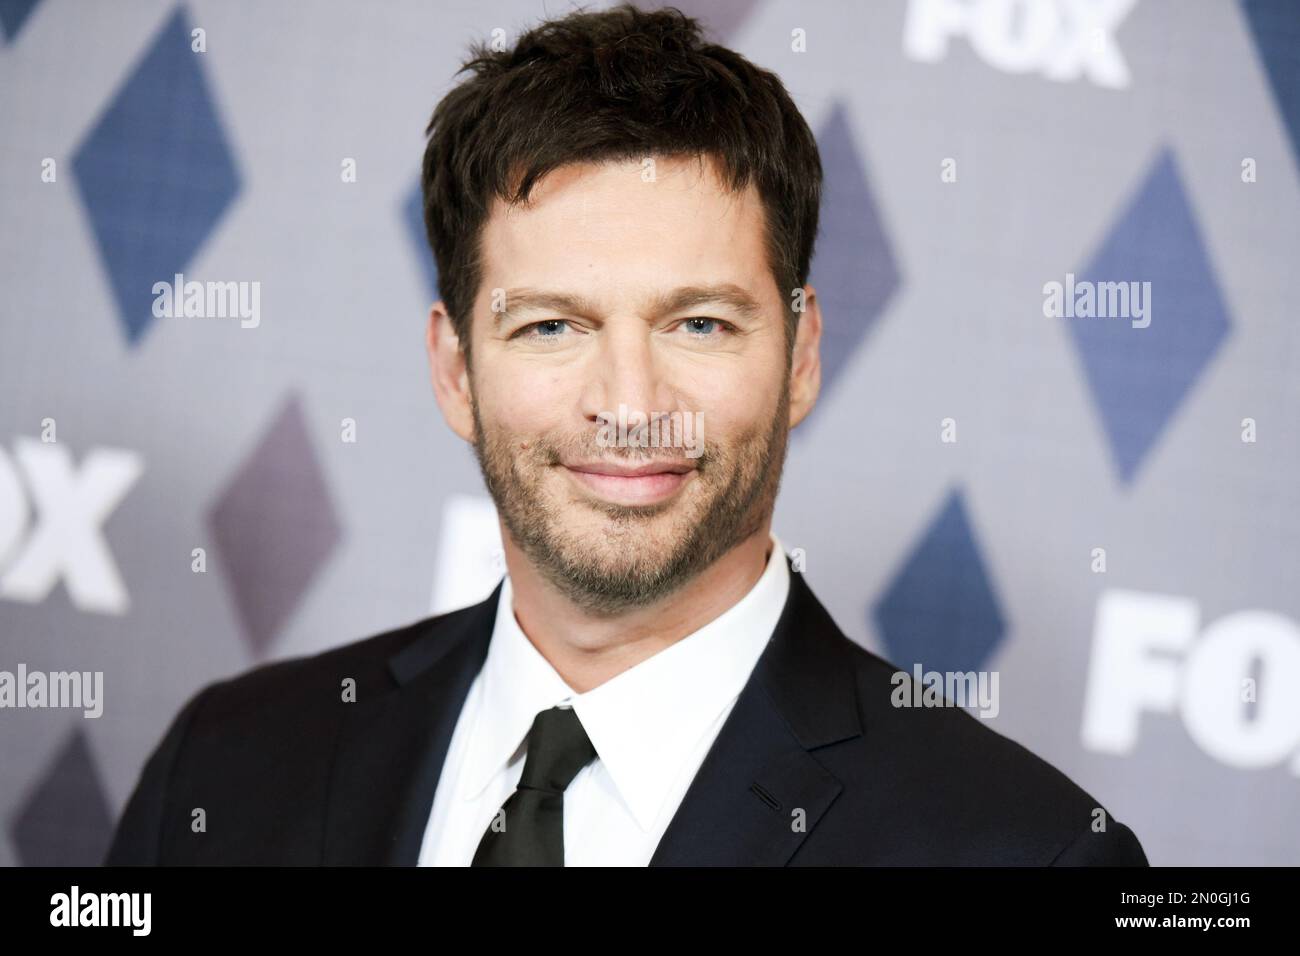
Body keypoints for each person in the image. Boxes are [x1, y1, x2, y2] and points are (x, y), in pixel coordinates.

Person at [105, 4, 1147, 866]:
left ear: (803, 352)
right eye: (551, 325)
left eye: (698, 322)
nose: (630, 400)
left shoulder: (1023, 853)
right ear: (456, 369)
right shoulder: (228, 763)